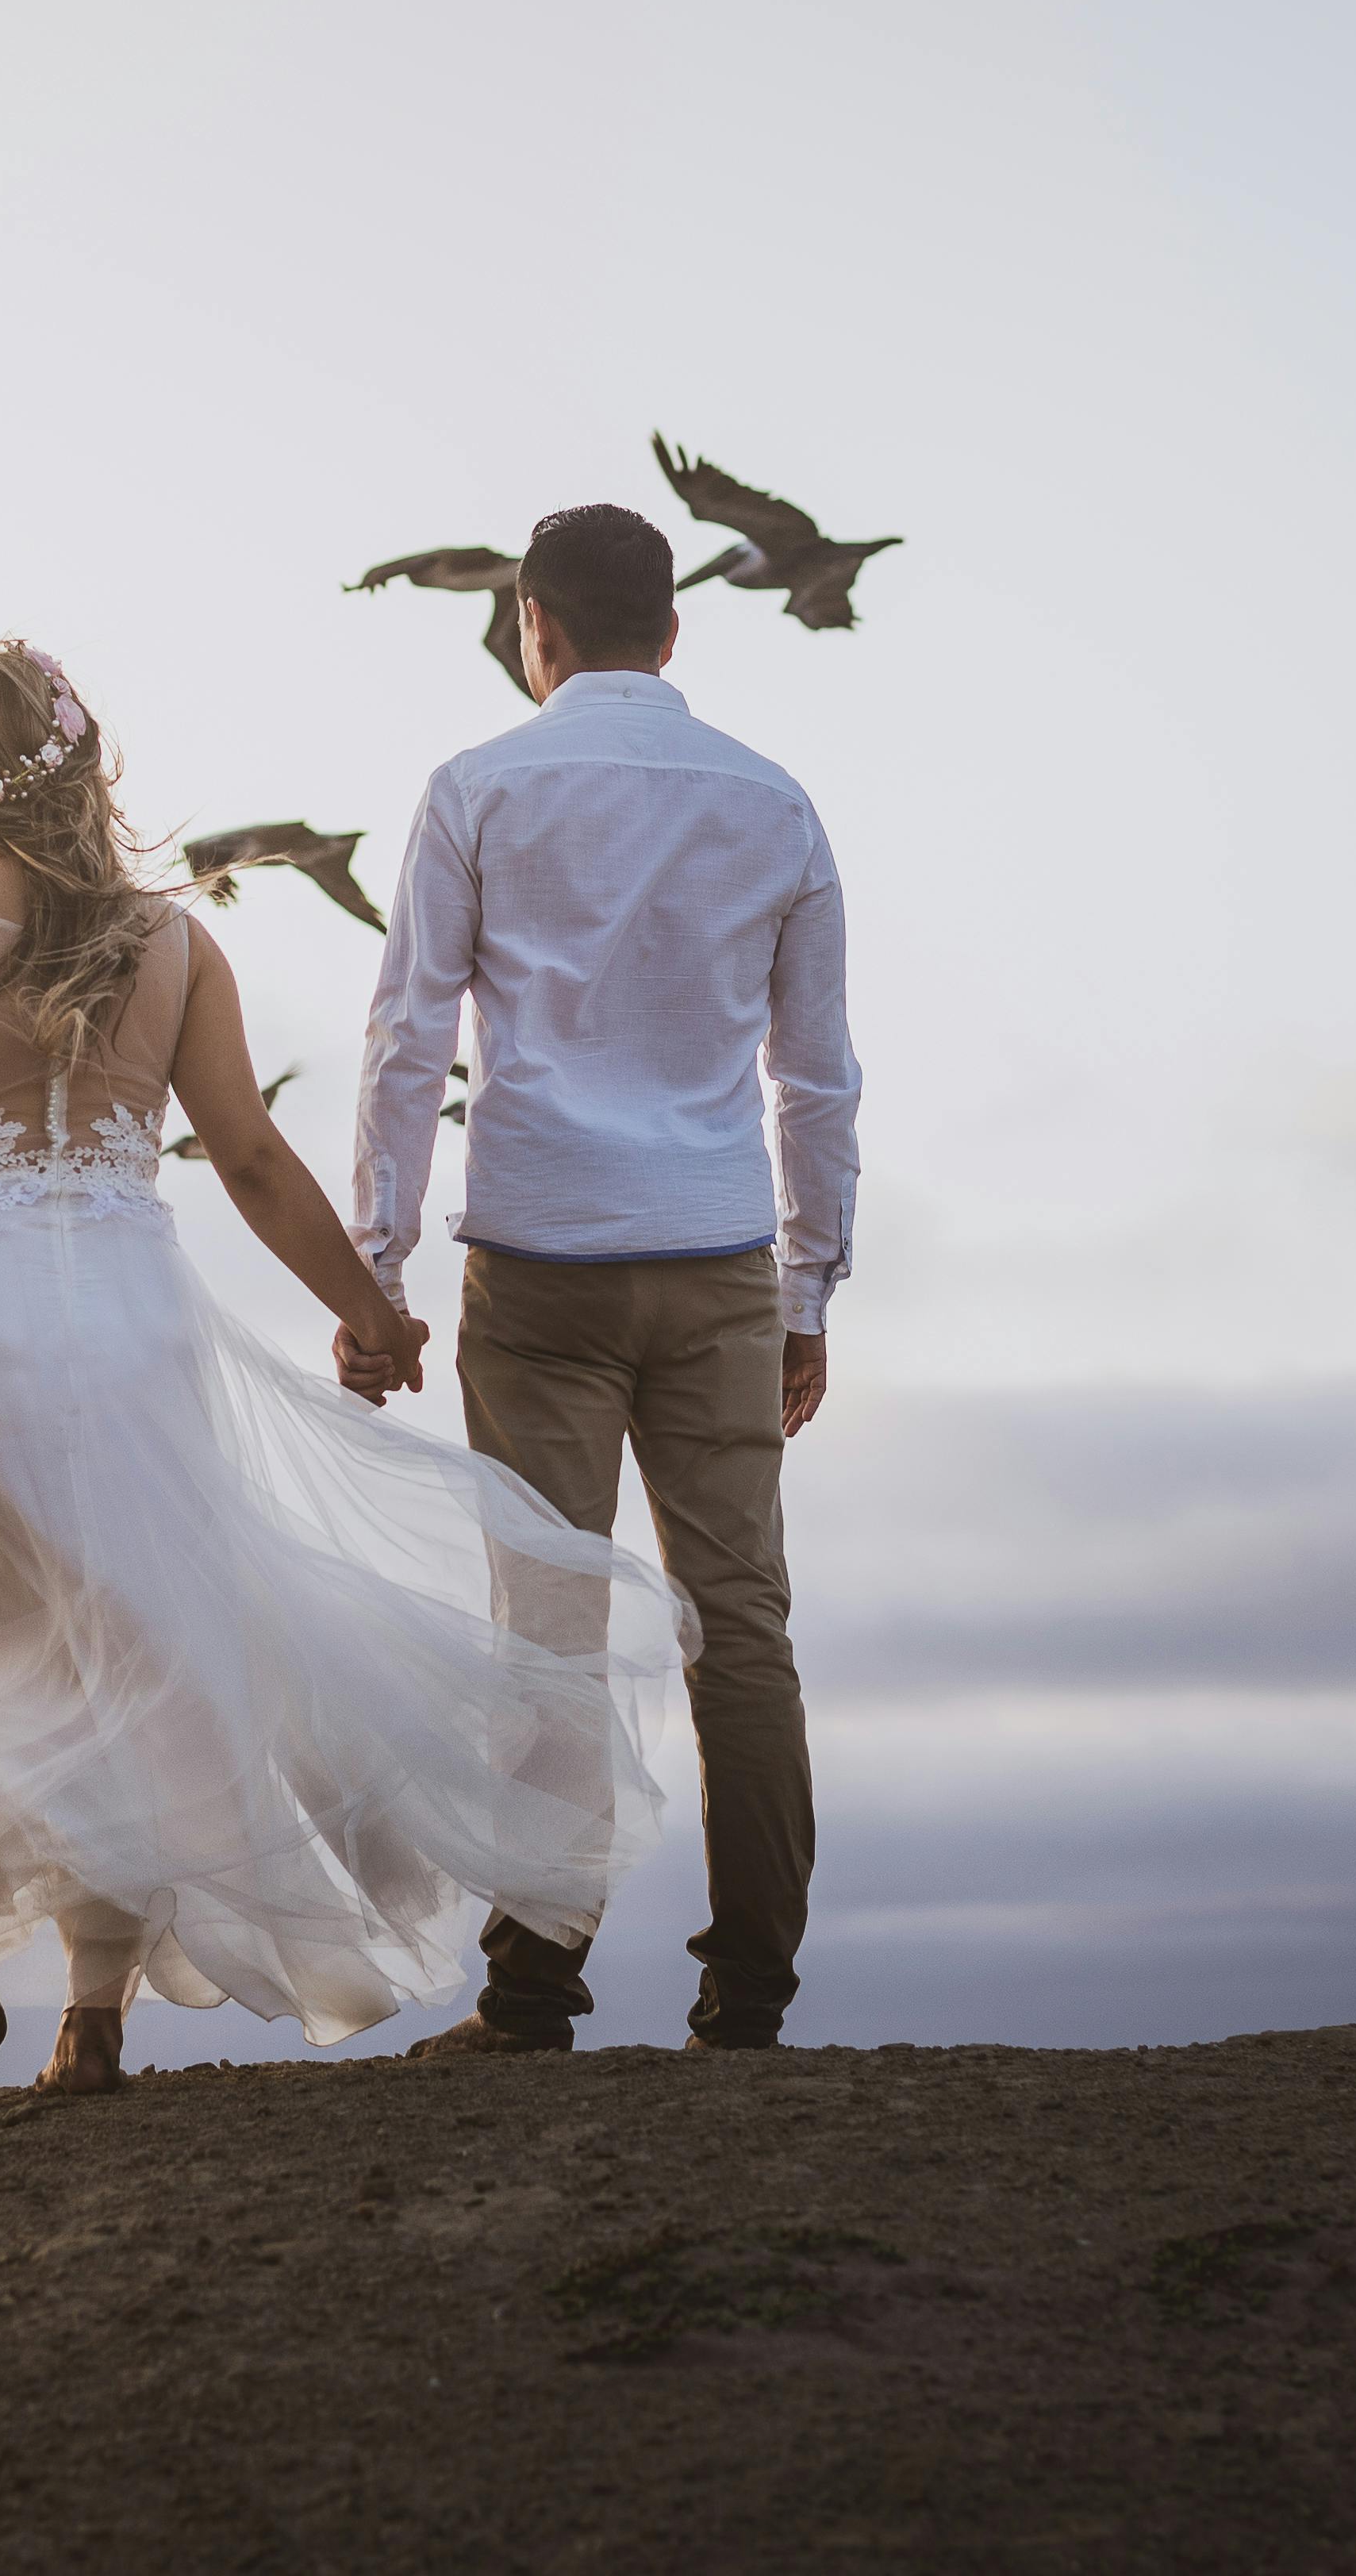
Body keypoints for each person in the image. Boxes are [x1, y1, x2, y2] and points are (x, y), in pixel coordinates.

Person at [0, 640, 694, 2113]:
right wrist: (371, 1313)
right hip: (130, 1315)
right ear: (86, 763)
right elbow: (246, 1156)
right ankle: (92, 2017)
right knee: (135, 1644)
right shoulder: (173, 947)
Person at [344, 500, 861, 2056]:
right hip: (714, 1264)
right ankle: (751, 1993)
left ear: (534, 626)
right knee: (742, 1626)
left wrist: (377, 1267)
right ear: (675, 629)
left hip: (540, 1266)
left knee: (547, 1629)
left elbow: (406, 1041)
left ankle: (530, 1989)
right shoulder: (774, 804)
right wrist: (808, 1291)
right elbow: (815, 1079)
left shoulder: (475, 789)